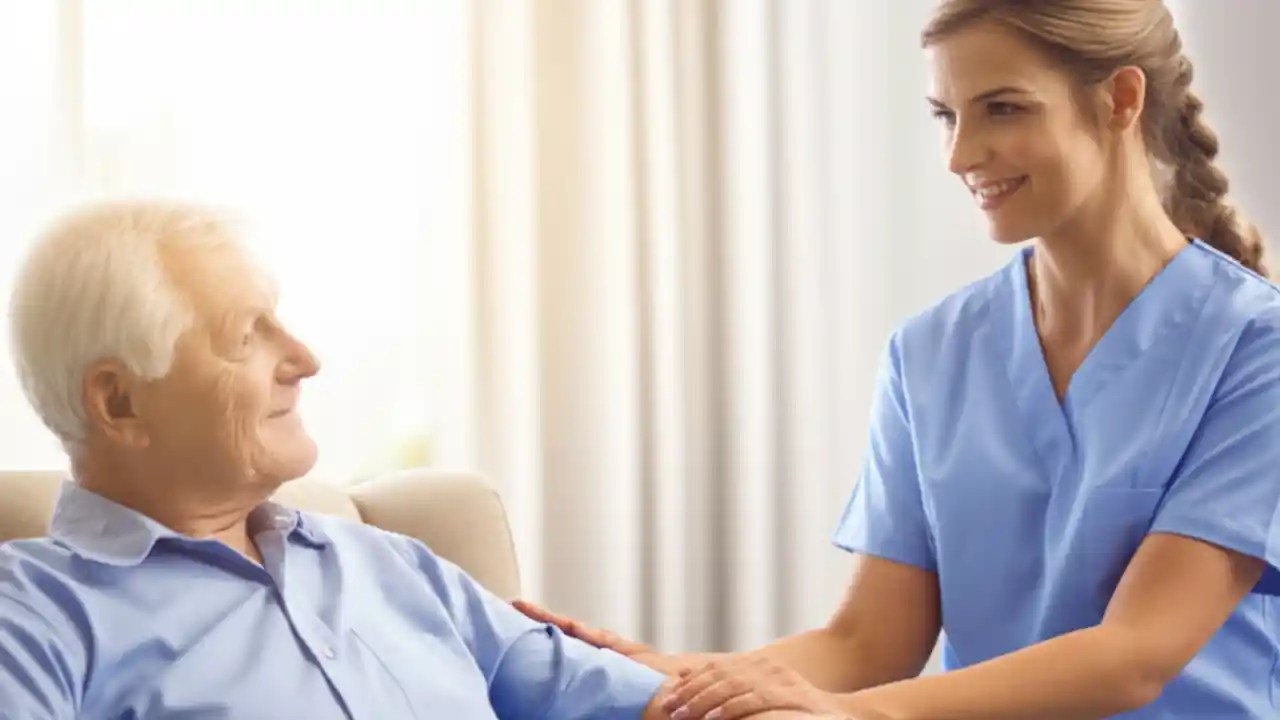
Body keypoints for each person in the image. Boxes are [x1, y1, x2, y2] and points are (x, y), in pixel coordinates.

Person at [516, 1, 1280, 718]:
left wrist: (847, 714)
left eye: (1002, 108)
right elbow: (868, 644)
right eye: (946, 116)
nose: (959, 155)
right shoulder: (932, 352)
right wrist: (675, 676)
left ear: (1119, 99)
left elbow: (1135, 654)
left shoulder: (1256, 350)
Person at [1, 200, 741, 720]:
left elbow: (649, 703)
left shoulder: (394, 568)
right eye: (246, 335)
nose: (304, 359)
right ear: (121, 402)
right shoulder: (31, 620)